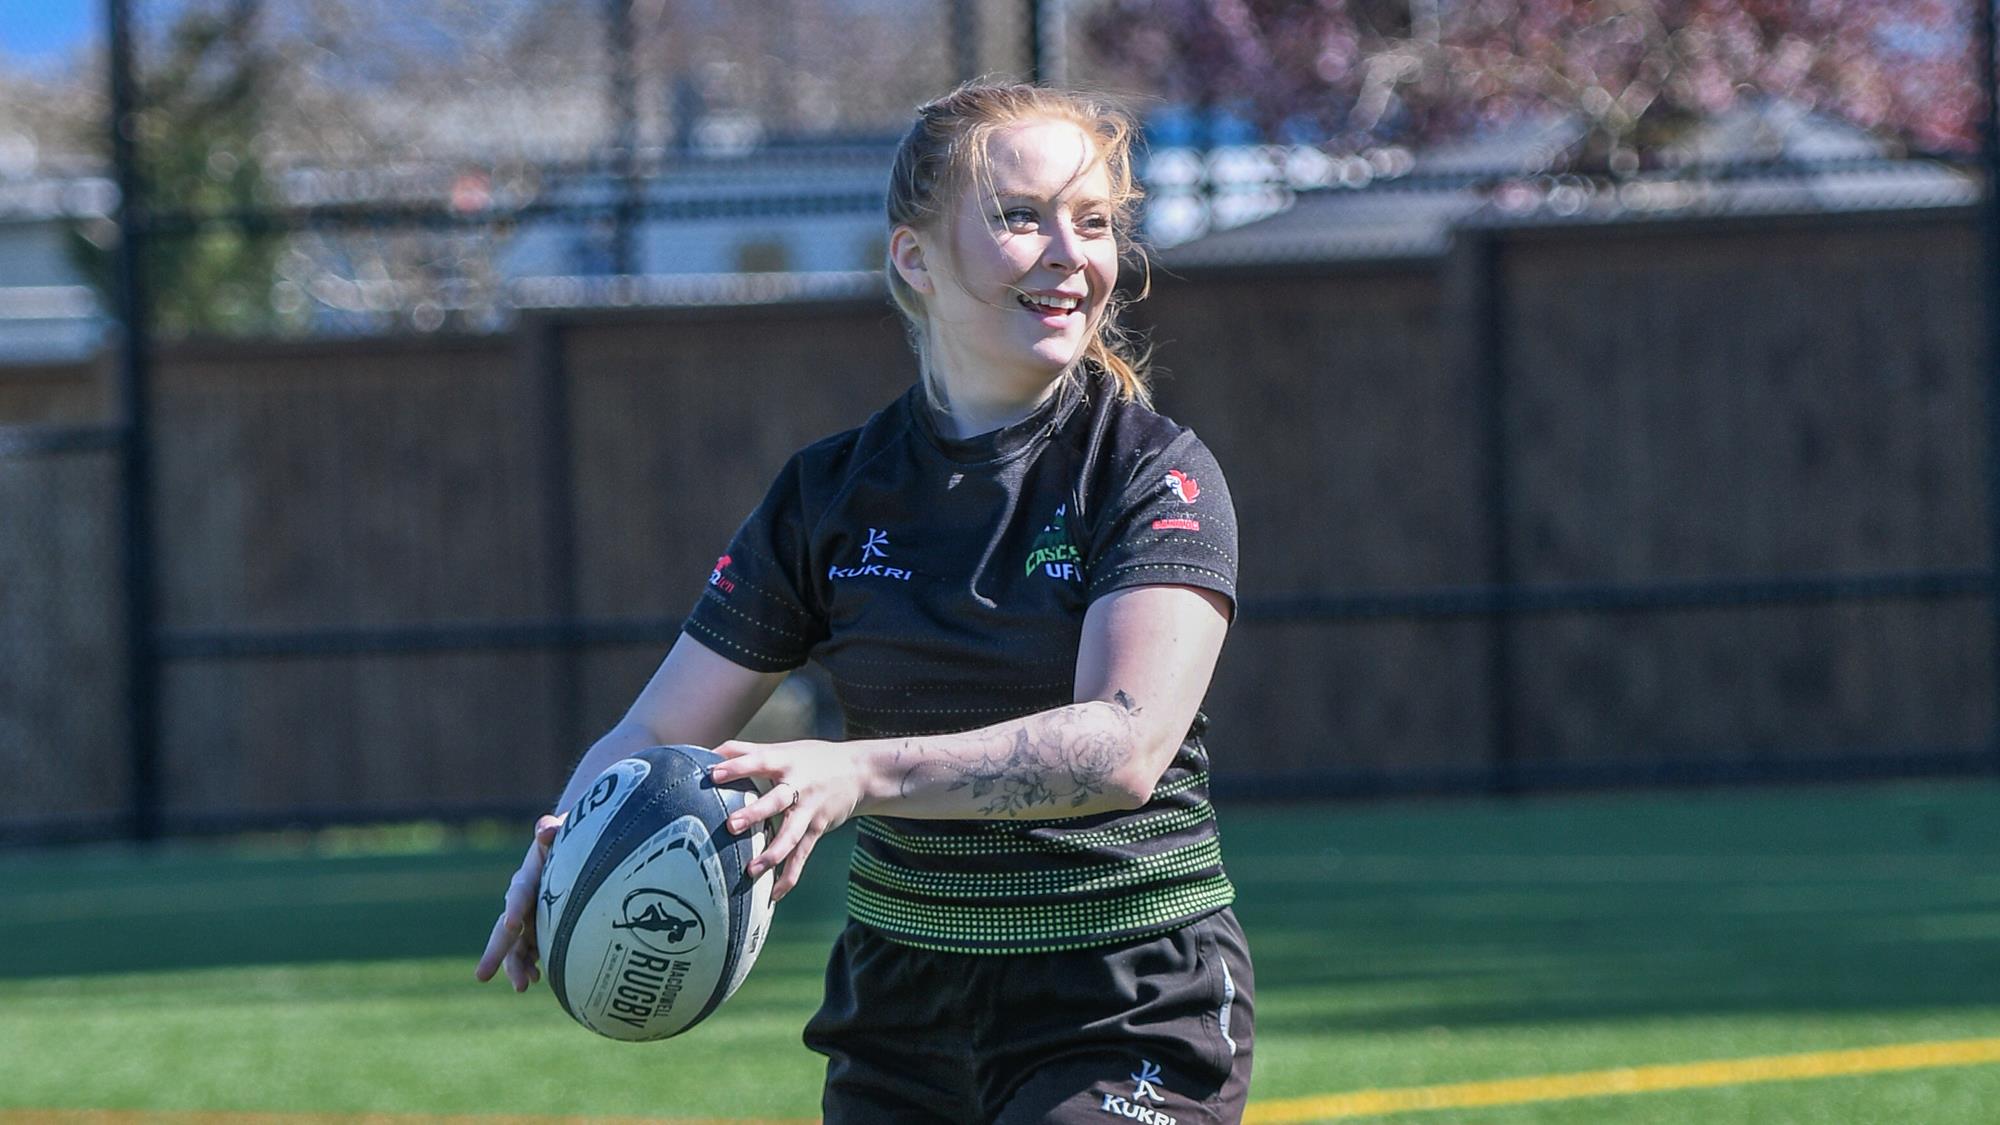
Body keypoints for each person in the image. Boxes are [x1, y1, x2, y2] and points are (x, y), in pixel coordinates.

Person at [477, 79, 1254, 1124]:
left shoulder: (1153, 475)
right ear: (913, 257)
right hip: (902, 1011)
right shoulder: (828, 495)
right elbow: (662, 726)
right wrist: (566, 848)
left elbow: (1121, 747)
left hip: (1122, 1003)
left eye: (1094, 223)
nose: (1070, 254)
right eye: (1020, 218)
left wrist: (854, 772)